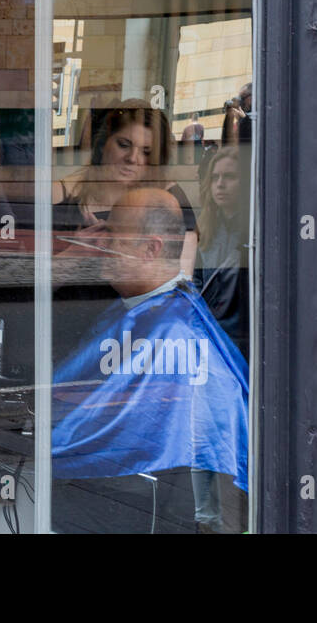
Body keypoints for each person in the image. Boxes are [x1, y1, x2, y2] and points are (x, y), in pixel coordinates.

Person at [50, 189, 248, 533]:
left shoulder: (178, 331)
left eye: (113, 235)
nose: (100, 245)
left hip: (137, 508)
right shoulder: (137, 313)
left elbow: (202, 448)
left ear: (151, 248)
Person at [53, 99, 198, 276]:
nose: (132, 158)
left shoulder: (171, 199)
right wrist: (76, 253)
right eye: (123, 145)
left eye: (146, 152)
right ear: (103, 144)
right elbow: (31, 284)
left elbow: (179, 284)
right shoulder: (61, 194)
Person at [196, 147, 250, 360]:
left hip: (241, 337)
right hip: (209, 334)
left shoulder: (253, 230)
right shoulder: (206, 227)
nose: (220, 184)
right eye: (215, 177)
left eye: (229, 177)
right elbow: (196, 281)